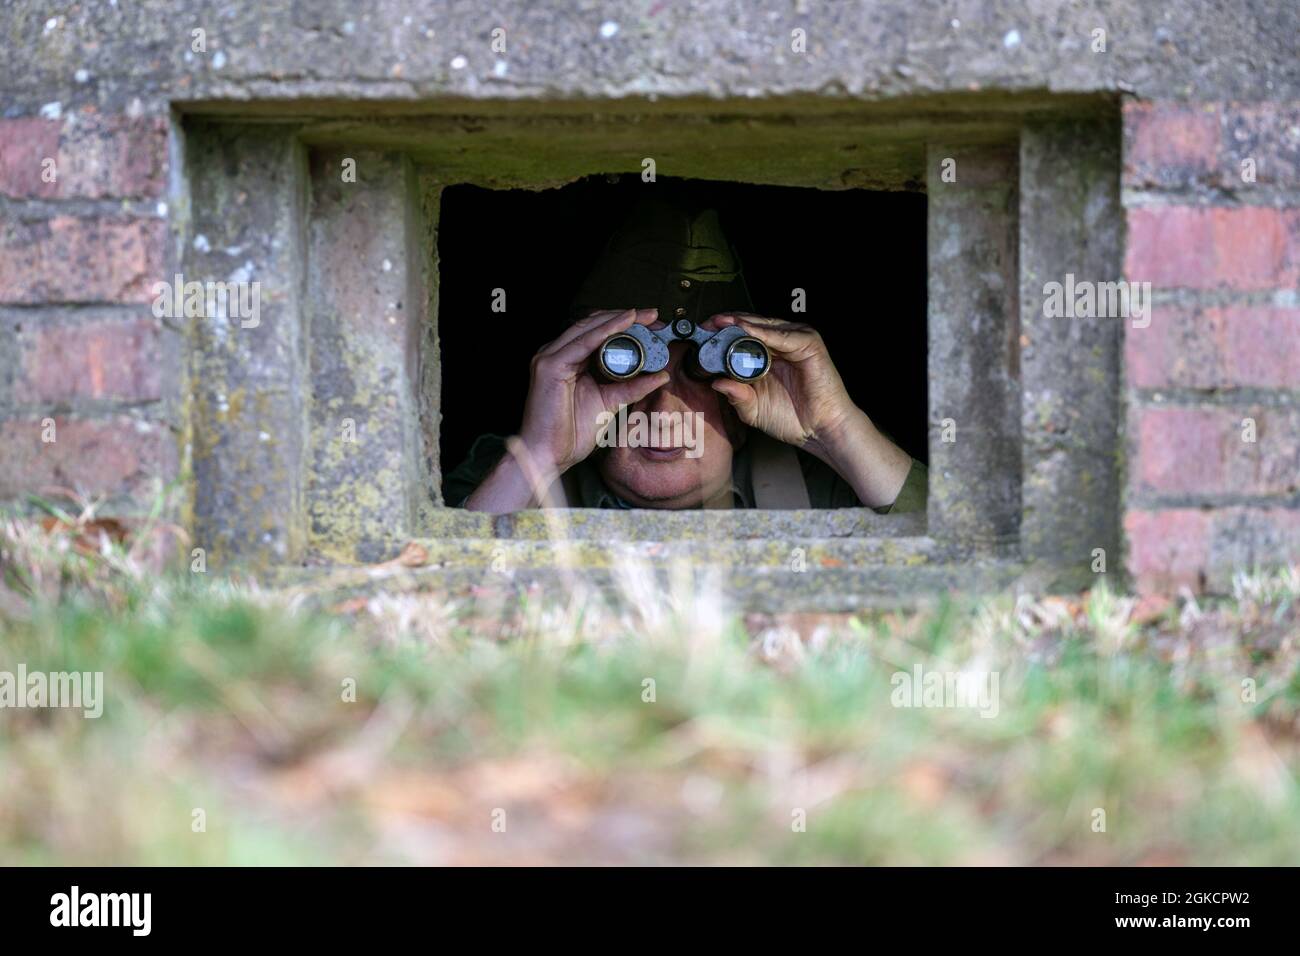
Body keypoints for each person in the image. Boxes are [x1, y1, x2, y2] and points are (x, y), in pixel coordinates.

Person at [445, 198, 926, 514]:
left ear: (743, 405)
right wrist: (538, 455)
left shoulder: (823, 484)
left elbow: (973, 556)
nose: (663, 408)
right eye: (630, 365)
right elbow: (428, 600)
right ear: (577, 377)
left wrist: (838, 429)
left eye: (700, 370)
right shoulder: (504, 475)